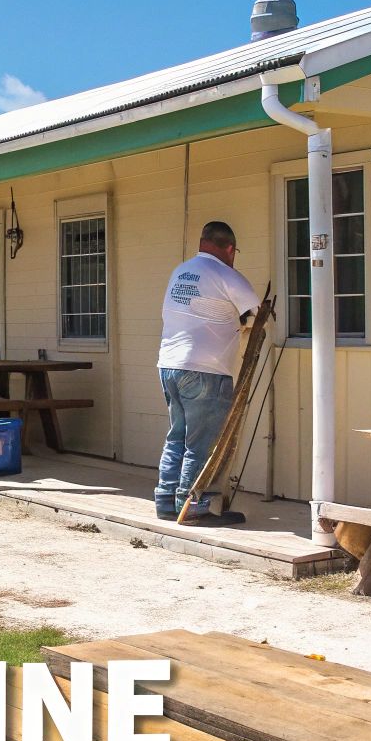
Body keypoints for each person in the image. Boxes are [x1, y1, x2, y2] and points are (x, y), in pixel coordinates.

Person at [155, 221, 260, 527]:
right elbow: (258, 311)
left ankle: (166, 500)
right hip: (205, 368)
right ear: (230, 249)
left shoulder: (181, 271)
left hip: (169, 365)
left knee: (177, 435)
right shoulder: (226, 274)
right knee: (202, 442)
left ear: (202, 243)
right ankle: (194, 505)